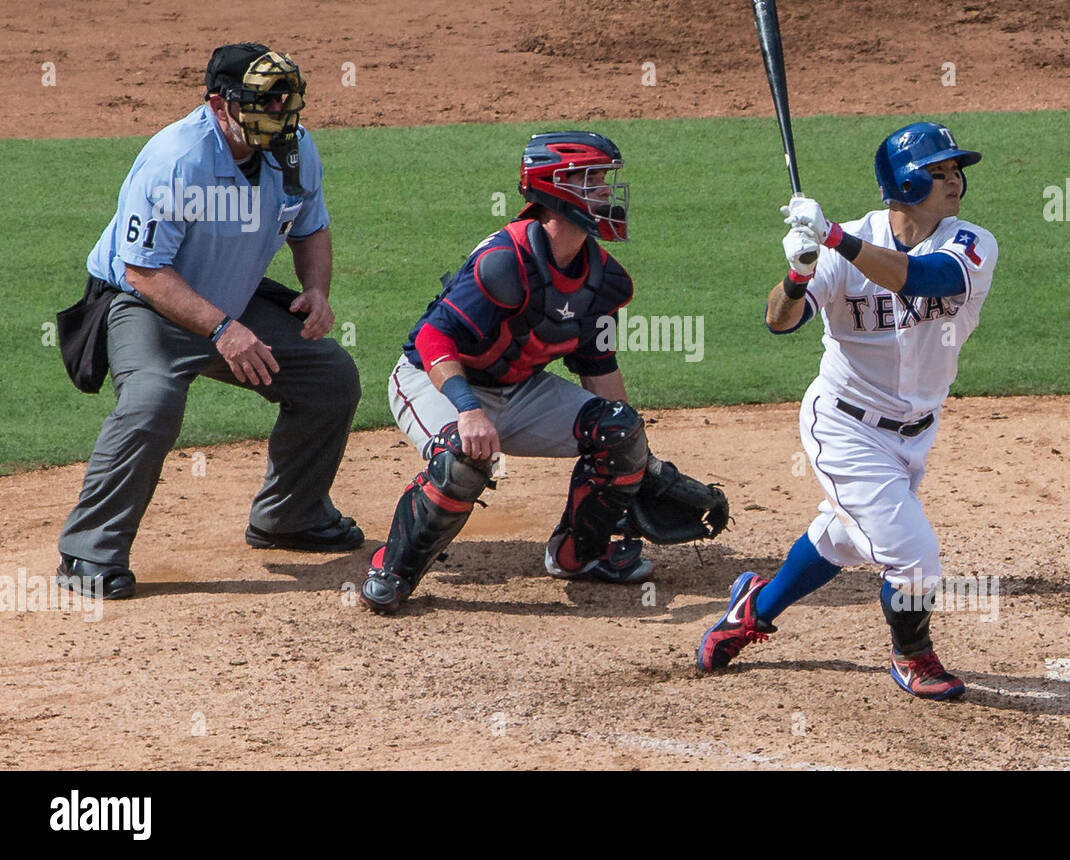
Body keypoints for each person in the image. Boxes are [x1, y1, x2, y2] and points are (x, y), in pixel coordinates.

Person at [696, 122, 998, 700]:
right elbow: (778, 322)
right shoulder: (841, 247)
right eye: (939, 172)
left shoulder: (970, 243)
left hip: (916, 432)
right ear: (905, 182)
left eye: (956, 170)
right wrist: (800, 272)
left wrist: (833, 237)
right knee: (913, 557)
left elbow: (923, 280)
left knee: (842, 537)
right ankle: (912, 656)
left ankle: (752, 609)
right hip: (842, 426)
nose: (954, 180)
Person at [55, 42, 362, 600]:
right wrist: (222, 329)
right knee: (151, 401)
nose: (279, 112)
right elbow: (144, 270)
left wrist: (316, 290)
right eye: (264, 101)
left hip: (234, 300)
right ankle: (88, 553)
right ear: (220, 105)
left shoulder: (291, 149)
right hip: (146, 304)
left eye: (284, 99)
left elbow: (310, 225)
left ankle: (288, 518)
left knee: (329, 375)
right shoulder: (178, 158)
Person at [361, 131, 655, 614]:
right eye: (593, 181)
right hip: (434, 379)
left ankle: (580, 554)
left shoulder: (605, 279)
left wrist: (641, 460)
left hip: (521, 391)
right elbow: (434, 338)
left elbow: (600, 371)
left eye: (606, 180)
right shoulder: (503, 262)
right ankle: (393, 568)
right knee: (461, 459)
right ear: (555, 190)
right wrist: (468, 409)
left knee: (619, 431)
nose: (606, 193)